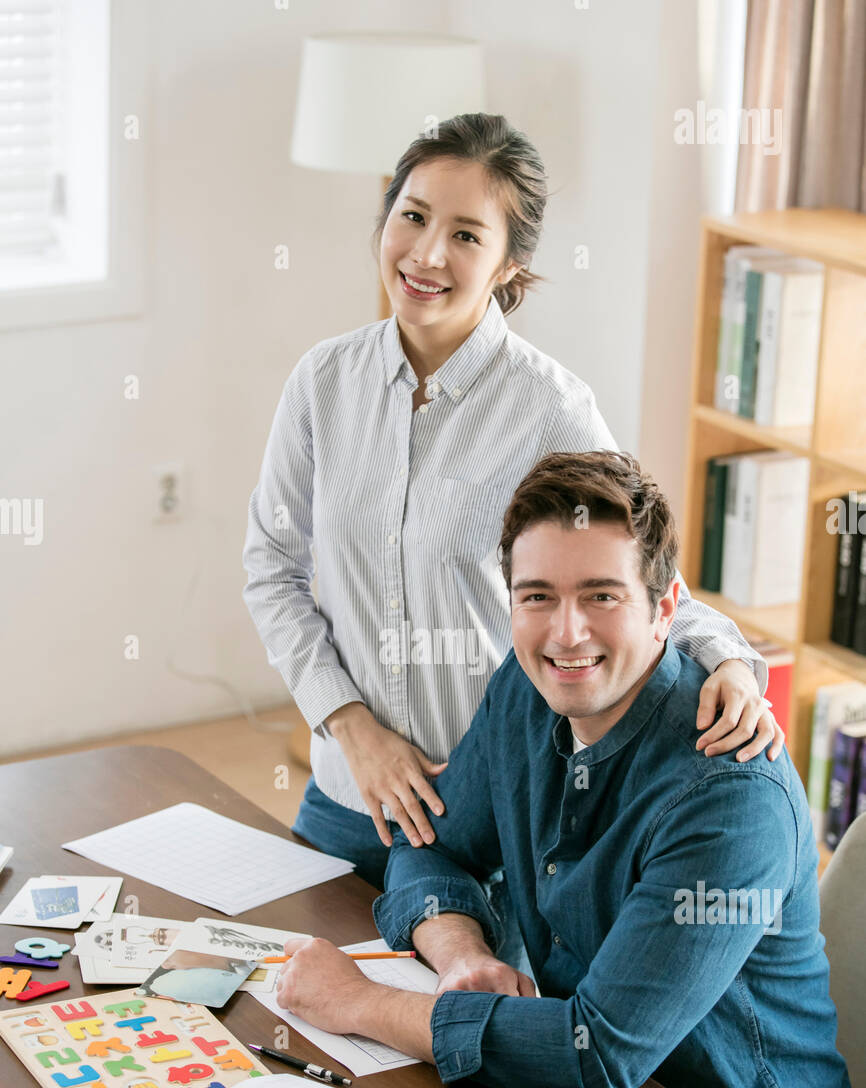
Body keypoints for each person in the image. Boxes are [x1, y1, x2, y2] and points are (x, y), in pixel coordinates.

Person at [274, 449, 856, 1088]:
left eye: (601, 596)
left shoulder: (730, 797)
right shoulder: (528, 687)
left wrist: (363, 1006)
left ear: (666, 611)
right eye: (537, 597)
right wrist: (457, 949)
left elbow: (594, 1055)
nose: (565, 633)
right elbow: (431, 841)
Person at [242, 113, 783, 904]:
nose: (427, 254)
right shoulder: (322, 383)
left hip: (494, 827)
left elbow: (637, 578)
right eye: (414, 216)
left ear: (509, 264)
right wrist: (352, 728)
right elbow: (272, 569)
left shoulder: (550, 411)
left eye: (467, 235)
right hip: (348, 797)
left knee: (456, 1022)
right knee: (285, 1009)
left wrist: (731, 660)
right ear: (385, 218)